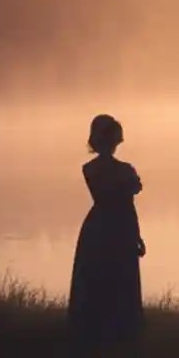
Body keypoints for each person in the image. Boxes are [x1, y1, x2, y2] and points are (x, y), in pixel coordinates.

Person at [68, 114, 146, 344]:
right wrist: (136, 235)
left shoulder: (90, 169)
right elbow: (126, 204)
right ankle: (119, 328)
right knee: (117, 275)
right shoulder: (124, 170)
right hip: (118, 225)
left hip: (98, 224)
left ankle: (93, 327)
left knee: (97, 275)